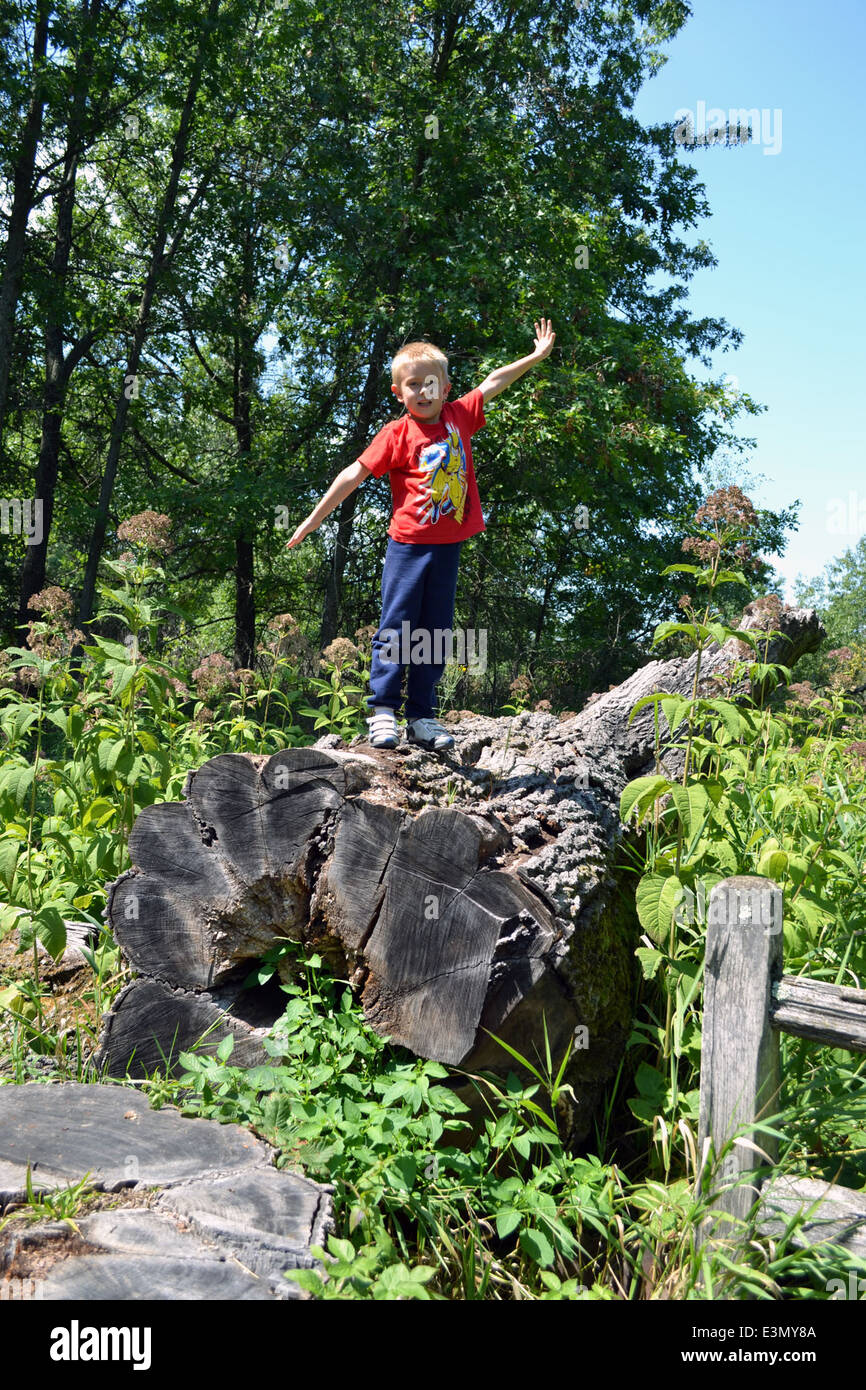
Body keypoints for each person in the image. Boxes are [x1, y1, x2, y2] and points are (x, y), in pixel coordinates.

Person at [287, 319, 556, 749]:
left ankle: (422, 716)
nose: (424, 391)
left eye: (432, 383)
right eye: (414, 384)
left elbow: (493, 381)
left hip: (447, 550)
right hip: (407, 549)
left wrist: (536, 356)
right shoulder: (396, 434)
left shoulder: (460, 417)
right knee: (397, 628)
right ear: (399, 392)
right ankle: (383, 711)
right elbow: (353, 474)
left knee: (435, 631)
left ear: (446, 388)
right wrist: (313, 520)